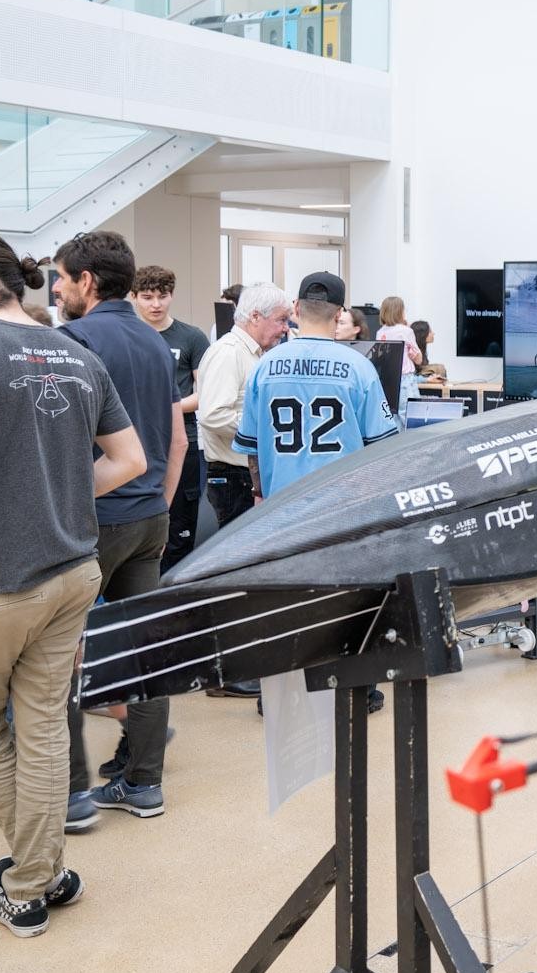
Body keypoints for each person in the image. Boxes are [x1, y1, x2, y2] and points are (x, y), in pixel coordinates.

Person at [0, 229, 145, 937]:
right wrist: (57, 498)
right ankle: (44, 870)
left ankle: (30, 883)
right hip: (71, 572)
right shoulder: (76, 353)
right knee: (42, 728)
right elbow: (129, 460)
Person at [53, 231, 188, 830]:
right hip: (148, 517)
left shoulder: (73, 342)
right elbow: (176, 440)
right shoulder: (157, 342)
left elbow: (60, 443)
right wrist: (157, 503)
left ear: (86, 281)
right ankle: (143, 783)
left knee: (57, 655)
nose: (56, 290)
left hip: (93, 518)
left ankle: (72, 795)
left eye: (62, 279)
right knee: (145, 653)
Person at [236, 272, 399, 716]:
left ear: (295, 308)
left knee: (284, 603)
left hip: (283, 508)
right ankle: (357, 691)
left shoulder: (265, 366)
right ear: (340, 312)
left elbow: (251, 446)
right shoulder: (359, 368)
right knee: (350, 601)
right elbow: (382, 446)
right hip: (342, 508)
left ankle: (278, 697)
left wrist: (260, 494)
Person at [132, 266, 211, 571]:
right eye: (147, 297)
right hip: (137, 441)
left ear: (172, 296)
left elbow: (203, 394)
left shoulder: (191, 337)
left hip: (183, 440)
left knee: (179, 524)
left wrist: (164, 408)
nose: (156, 304)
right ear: (134, 297)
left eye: (162, 296)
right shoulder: (129, 335)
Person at [197, 283, 291, 535]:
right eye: (281, 320)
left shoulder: (257, 354)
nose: (286, 328)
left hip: (247, 474)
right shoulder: (228, 354)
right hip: (234, 476)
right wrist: (265, 431)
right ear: (255, 316)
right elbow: (214, 415)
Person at [375, 296, 423, 397]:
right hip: (405, 379)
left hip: (388, 379)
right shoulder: (406, 331)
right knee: (409, 407)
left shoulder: (380, 332)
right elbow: (418, 359)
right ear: (400, 311)